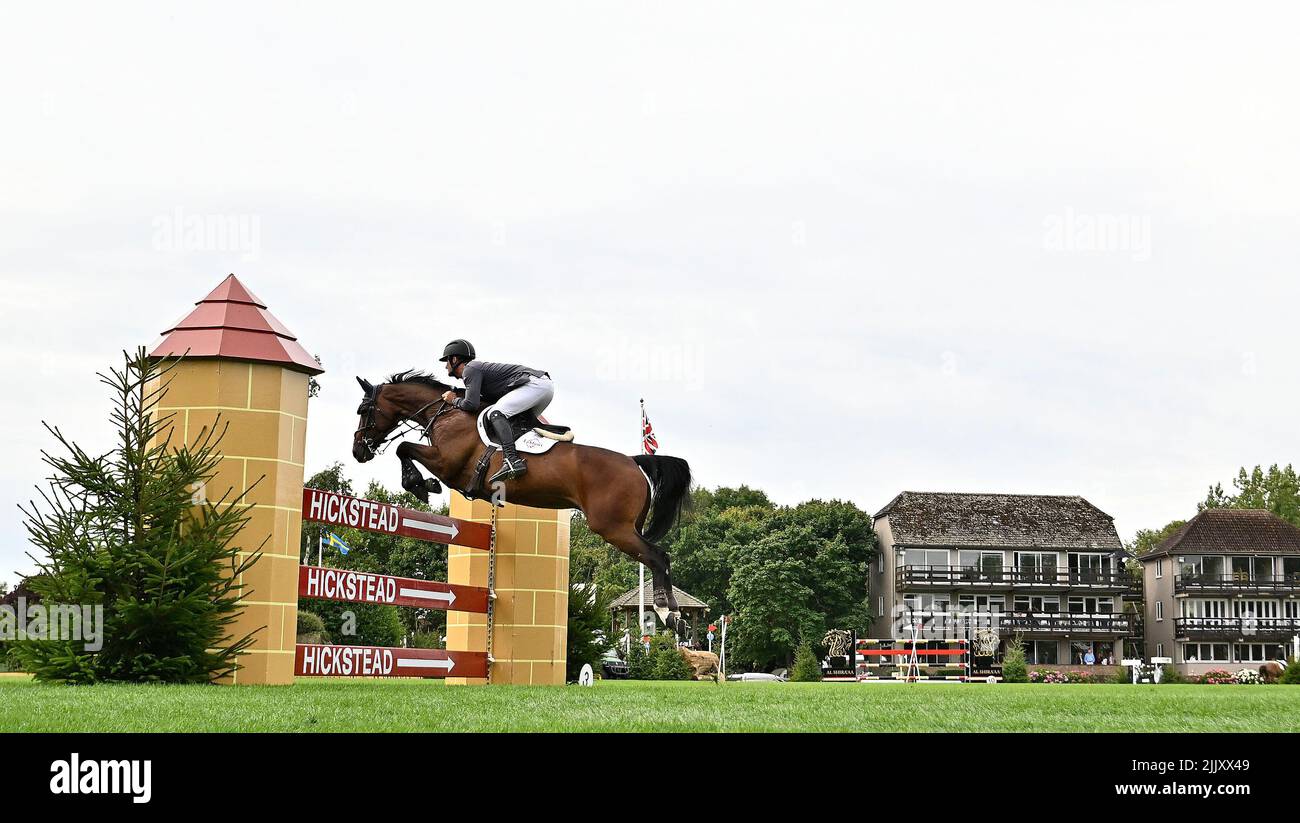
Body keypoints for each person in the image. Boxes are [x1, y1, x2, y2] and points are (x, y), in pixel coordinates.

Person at [438, 339, 554, 482]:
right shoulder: (475, 371)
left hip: (535, 385)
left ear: (454, 359)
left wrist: (453, 400)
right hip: (542, 387)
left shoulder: (470, 369)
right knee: (515, 425)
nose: (445, 367)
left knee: (496, 414)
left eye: (446, 361)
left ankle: (512, 460)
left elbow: (471, 404)